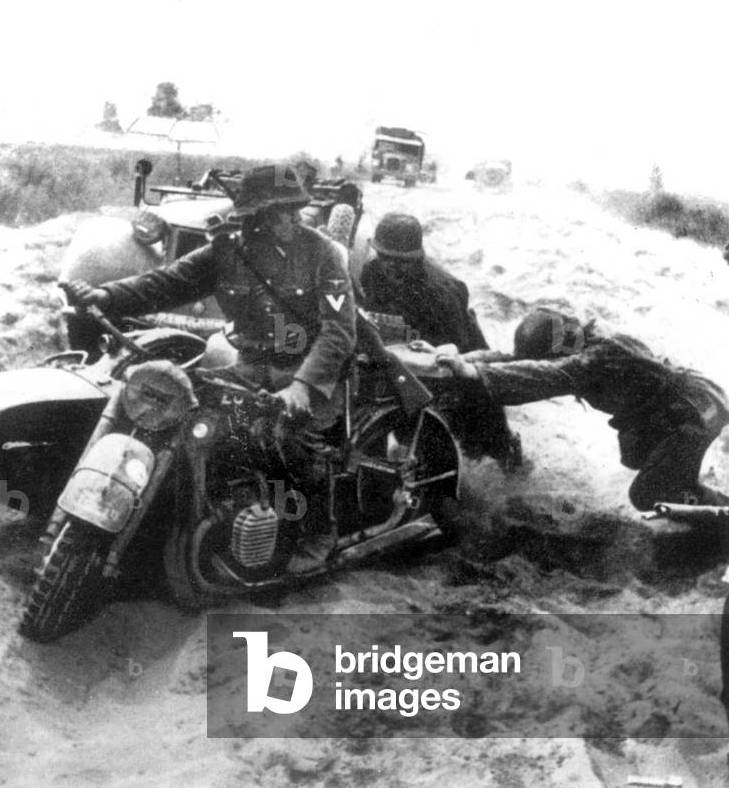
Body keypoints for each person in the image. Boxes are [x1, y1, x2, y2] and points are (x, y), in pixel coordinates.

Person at [63, 164, 356, 573]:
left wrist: (303, 387)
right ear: (257, 218)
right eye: (283, 212)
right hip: (250, 368)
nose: (294, 218)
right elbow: (165, 284)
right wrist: (104, 295)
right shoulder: (227, 252)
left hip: (310, 376)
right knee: (180, 416)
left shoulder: (323, 254)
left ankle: (318, 533)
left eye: (296, 210)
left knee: (295, 446)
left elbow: (339, 332)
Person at [437, 307, 729, 510]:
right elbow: (519, 361)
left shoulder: (600, 356)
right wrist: (463, 360)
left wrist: (471, 370)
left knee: (647, 494)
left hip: (694, 409)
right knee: (652, 470)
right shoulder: (579, 345)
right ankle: (697, 498)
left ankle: (718, 510)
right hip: (669, 412)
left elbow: (547, 374)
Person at [360, 213, 521, 467]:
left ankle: (507, 456)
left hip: (456, 348)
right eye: (384, 257)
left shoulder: (442, 289)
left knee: (483, 424)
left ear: (416, 258)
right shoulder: (371, 272)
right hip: (403, 349)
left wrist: (433, 356)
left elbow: (457, 347)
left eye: (400, 261)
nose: (390, 266)